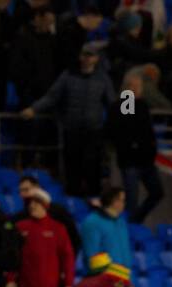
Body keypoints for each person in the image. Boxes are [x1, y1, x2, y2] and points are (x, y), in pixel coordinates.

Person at [22, 44, 117, 198]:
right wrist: (34, 109)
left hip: (94, 130)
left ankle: (93, 199)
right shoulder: (68, 76)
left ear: (96, 58)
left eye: (91, 56)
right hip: (72, 129)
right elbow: (52, 96)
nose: (87, 59)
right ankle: (73, 199)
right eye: (85, 55)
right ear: (80, 56)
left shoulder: (103, 79)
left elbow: (111, 103)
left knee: (93, 167)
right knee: (72, 166)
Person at [109, 74, 163, 223]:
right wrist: (132, 146)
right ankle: (131, 227)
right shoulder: (123, 105)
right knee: (131, 198)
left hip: (146, 159)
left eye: (140, 86)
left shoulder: (142, 105)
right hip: (131, 160)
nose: (140, 90)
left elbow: (147, 131)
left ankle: (136, 220)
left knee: (157, 192)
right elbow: (125, 129)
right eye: (136, 86)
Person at [15, 192, 75, 287]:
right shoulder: (20, 227)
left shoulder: (58, 228)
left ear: (45, 206)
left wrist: (68, 283)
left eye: (36, 203)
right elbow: (14, 256)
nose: (32, 206)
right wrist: (10, 279)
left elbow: (67, 257)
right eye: (30, 203)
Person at [79, 185, 131, 267]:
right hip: (105, 277)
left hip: (124, 276)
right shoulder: (92, 223)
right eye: (122, 200)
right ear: (114, 201)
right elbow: (91, 256)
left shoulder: (121, 221)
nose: (124, 204)